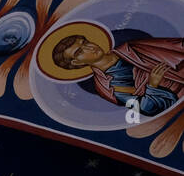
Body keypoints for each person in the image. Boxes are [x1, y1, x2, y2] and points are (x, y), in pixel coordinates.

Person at [50, 28, 184, 117]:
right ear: (77, 63)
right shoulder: (107, 86)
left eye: (85, 42)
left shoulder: (131, 47)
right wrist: (153, 85)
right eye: (80, 51)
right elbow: (146, 108)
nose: (89, 48)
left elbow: (175, 47)